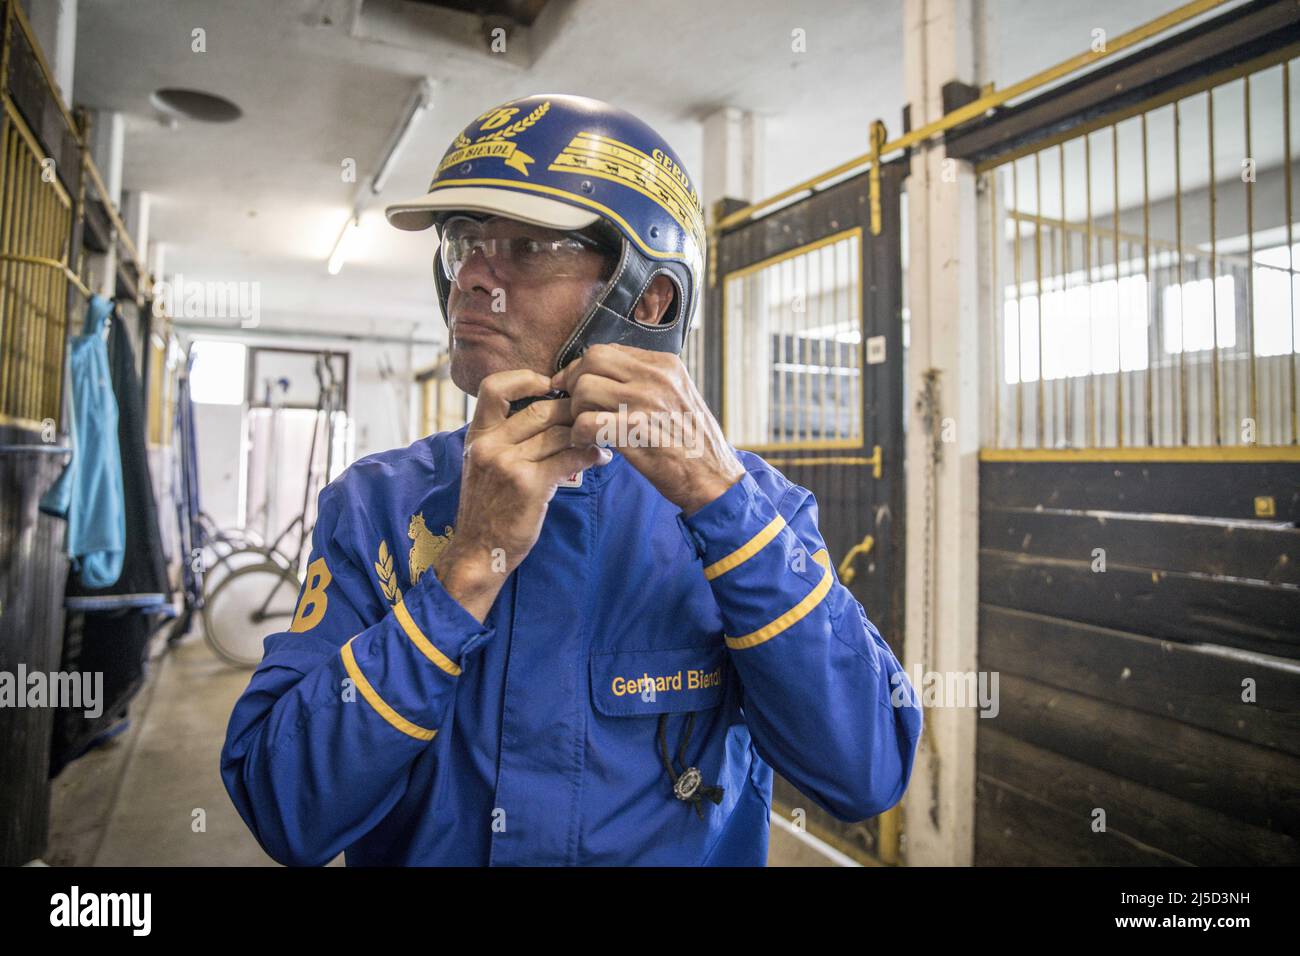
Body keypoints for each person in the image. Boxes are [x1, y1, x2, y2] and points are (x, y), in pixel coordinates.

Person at [220, 93, 923, 866]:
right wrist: (462, 574)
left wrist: (722, 505)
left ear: (648, 296)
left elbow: (869, 772)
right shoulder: (377, 505)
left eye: (525, 248)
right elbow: (284, 807)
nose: (471, 280)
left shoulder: (755, 513)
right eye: (464, 244)